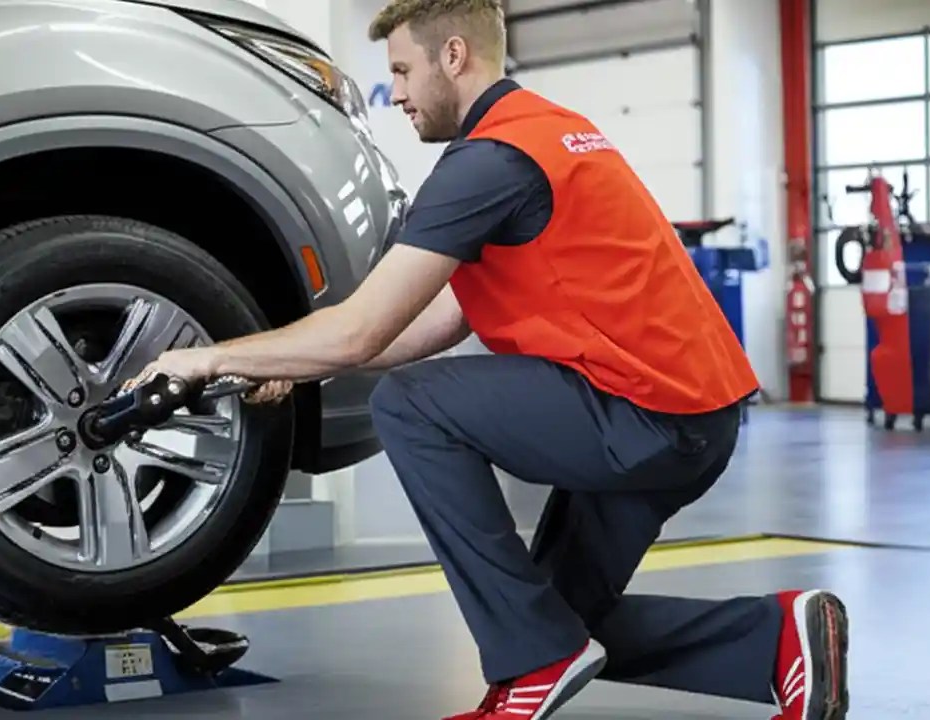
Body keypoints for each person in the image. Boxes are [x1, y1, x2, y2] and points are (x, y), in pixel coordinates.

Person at [128, 1, 849, 718]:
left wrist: (206, 360)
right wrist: (299, 363)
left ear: (453, 56)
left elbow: (361, 329)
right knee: (558, 616)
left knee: (408, 407)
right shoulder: (551, 132)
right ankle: (776, 640)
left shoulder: (489, 161)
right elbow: (434, 321)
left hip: (643, 412)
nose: (399, 94)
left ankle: (533, 663)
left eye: (404, 71)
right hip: (687, 408)